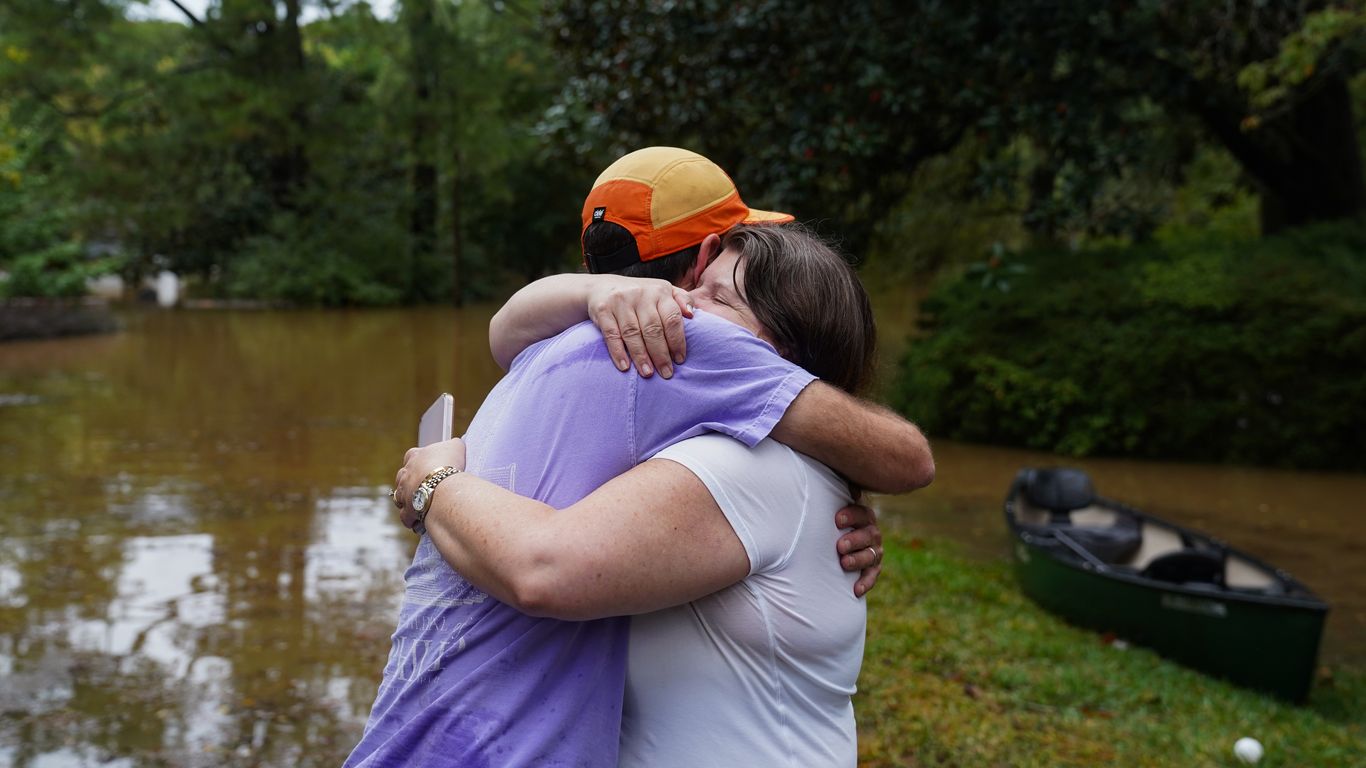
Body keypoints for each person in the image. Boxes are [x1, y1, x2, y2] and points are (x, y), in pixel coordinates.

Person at [345, 147, 933, 767]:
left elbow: (541, 568)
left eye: (718, 297)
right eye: (698, 287)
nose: (691, 311)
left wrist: (433, 479)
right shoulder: (657, 402)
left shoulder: (723, 420)